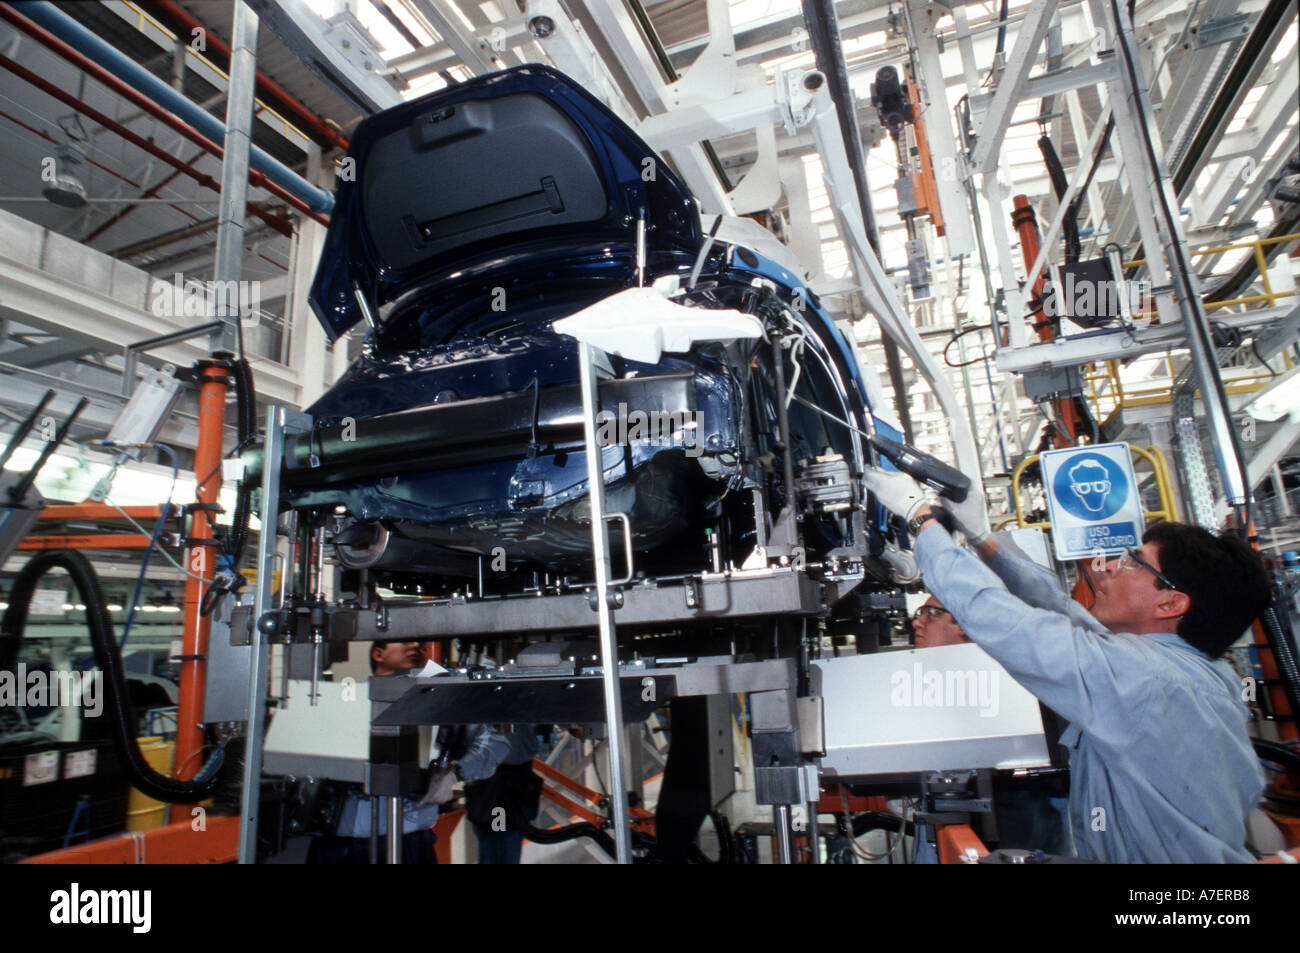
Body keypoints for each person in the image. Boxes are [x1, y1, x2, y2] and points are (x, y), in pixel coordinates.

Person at [864, 466, 1270, 863]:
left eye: (1134, 562)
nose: (1109, 568)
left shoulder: (1144, 678)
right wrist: (981, 538)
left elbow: (1002, 619)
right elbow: (1057, 608)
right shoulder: (1193, 671)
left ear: (1170, 603)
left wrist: (920, 518)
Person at [311, 639, 514, 864]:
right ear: (378, 654)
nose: (415, 645)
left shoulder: (438, 698)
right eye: (405, 640)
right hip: (343, 844)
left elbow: (496, 743)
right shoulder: (348, 699)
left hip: (409, 841)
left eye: (418, 641)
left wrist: (457, 772)